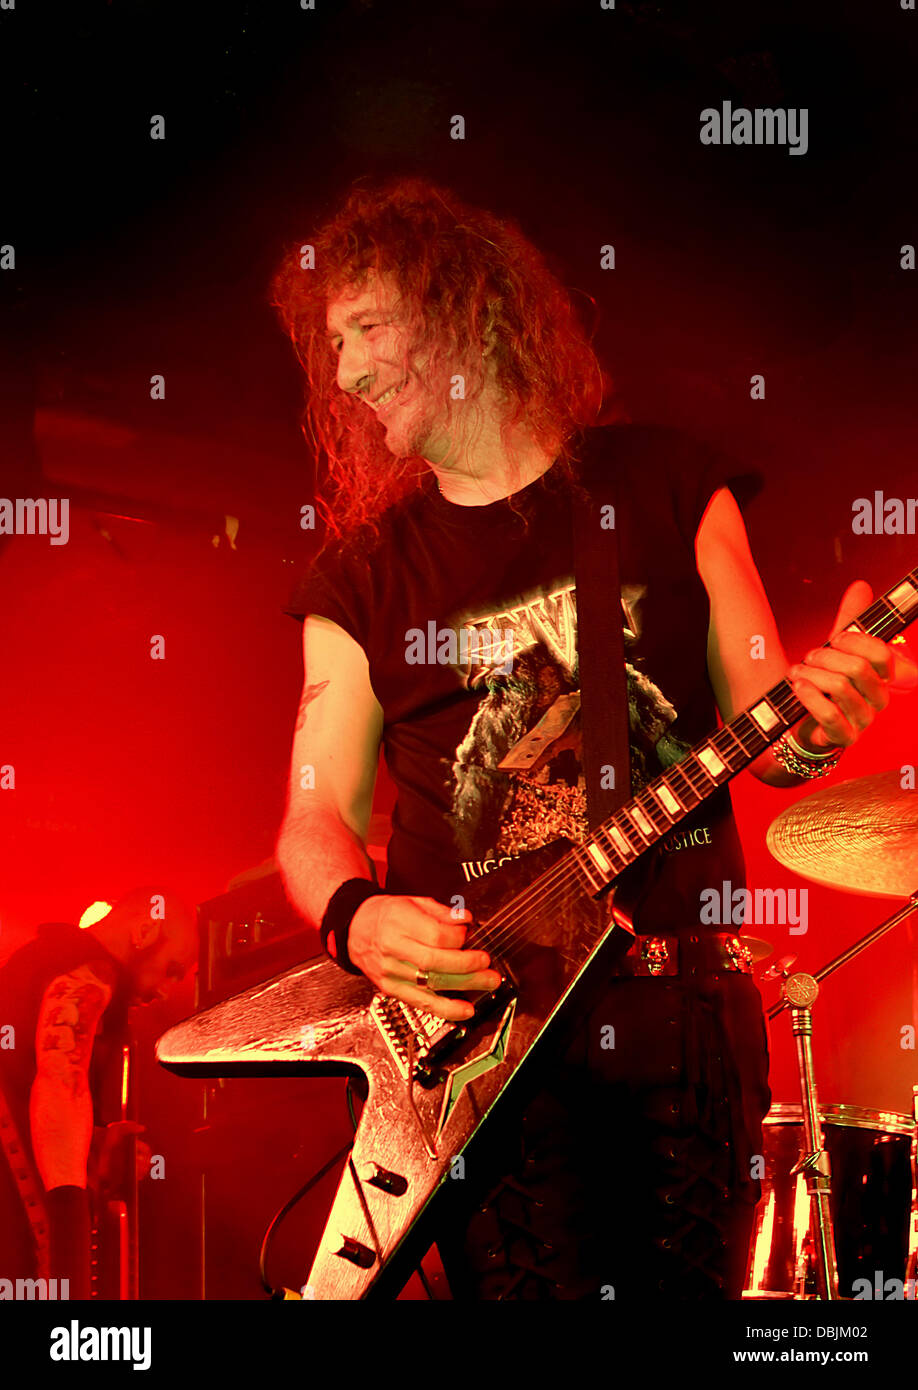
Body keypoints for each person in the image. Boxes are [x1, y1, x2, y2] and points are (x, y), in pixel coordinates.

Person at [272, 177, 915, 1299]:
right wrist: (354, 914)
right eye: (335, 345)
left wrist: (832, 717)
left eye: (370, 329)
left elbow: (781, 733)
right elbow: (313, 814)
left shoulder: (673, 487)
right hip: (479, 1043)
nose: (348, 373)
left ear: (469, 307)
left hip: (679, 1022)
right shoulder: (361, 575)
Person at [0, 887, 197, 1297]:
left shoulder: (39, 961)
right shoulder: (91, 970)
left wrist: (98, 1150)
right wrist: (69, 1250)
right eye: (173, 969)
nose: (166, 989)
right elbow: (60, 1082)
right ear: (143, 931)